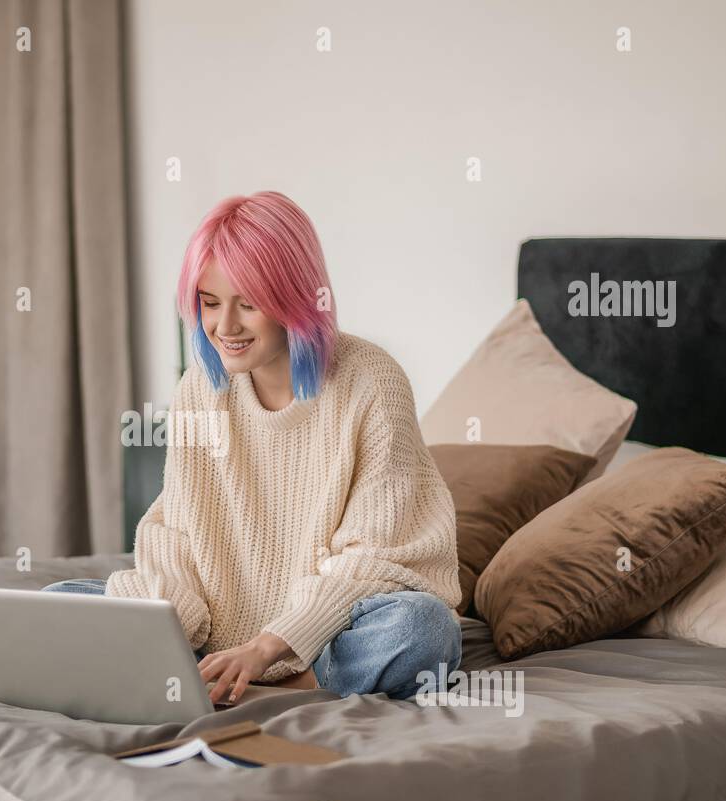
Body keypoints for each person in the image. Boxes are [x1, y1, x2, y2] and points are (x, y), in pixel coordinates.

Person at [45, 191, 462, 705]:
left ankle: (268, 683)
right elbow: (179, 529)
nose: (225, 327)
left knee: (425, 630)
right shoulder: (200, 387)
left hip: (322, 635)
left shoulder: (372, 381)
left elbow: (373, 558)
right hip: (218, 626)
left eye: (249, 303)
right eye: (210, 303)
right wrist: (163, 619)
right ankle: (210, 670)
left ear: (295, 297)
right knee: (57, 604)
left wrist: (268, 646)